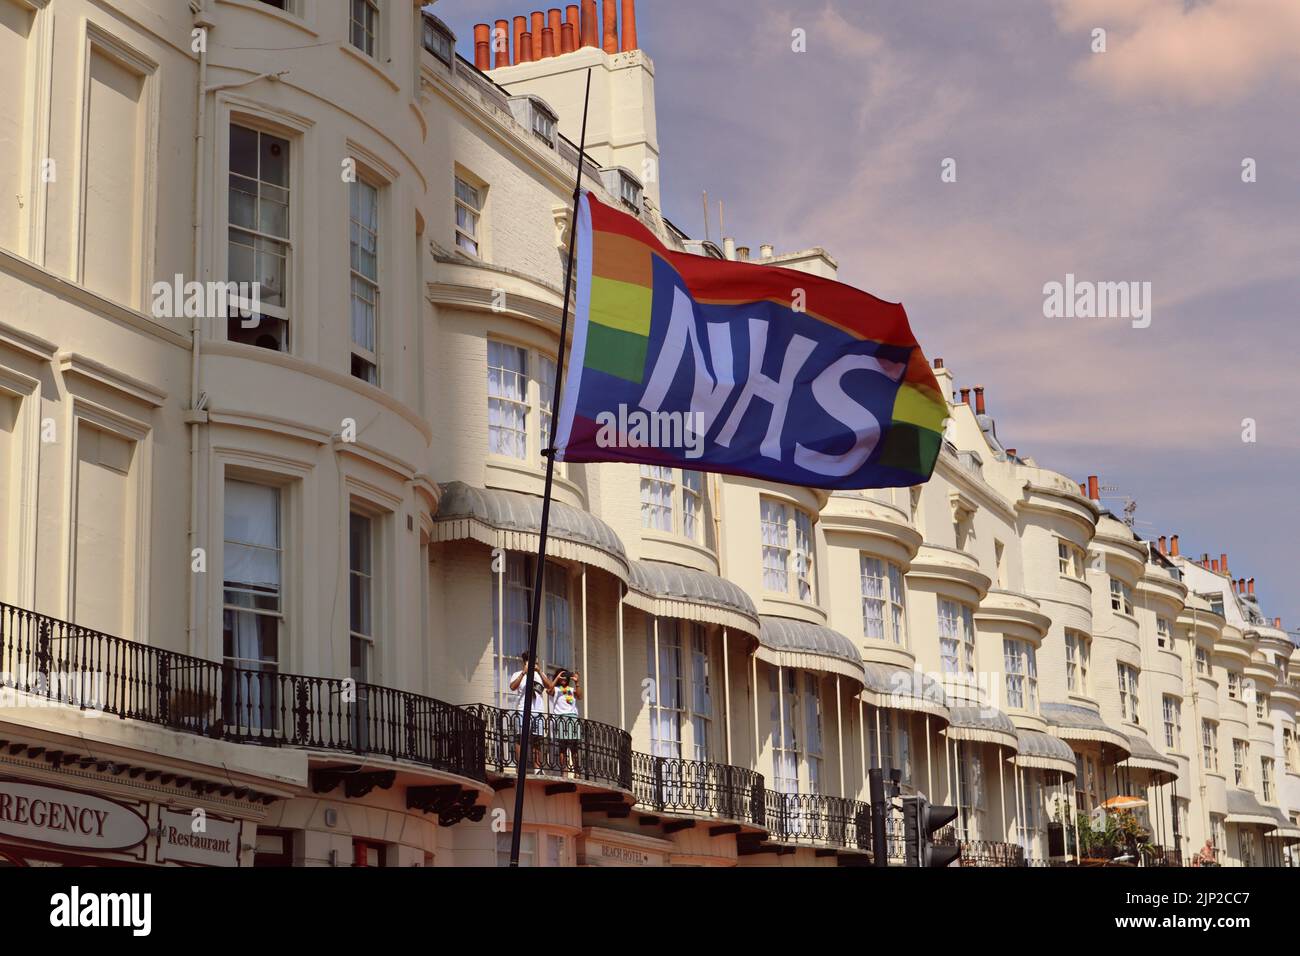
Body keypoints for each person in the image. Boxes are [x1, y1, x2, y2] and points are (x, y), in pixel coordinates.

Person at [508, 652, 553, 769]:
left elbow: (550, 686)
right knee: (521, 738)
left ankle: (537, 768)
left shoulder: (539, 675)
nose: (535, 663)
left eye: (536, 662)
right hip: (523, 710)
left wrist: (540, 671)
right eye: (533, 661)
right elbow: (512, 687)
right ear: (525, 662)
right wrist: (524, 672)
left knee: (537, 740)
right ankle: (520, 767)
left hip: (537, 711)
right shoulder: (518, 674)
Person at [550, 670, 583, 774]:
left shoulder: (571, 689)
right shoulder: (556, 689)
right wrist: (557, 677)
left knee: (574, 747)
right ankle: (564, 771)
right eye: (562, 677)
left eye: (565, 677)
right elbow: (548, 690)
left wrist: (577, 682)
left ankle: (577, 772)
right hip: (561, 718)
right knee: (562, 747)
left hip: (572, 718)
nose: (563, 679)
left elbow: (580, 696)